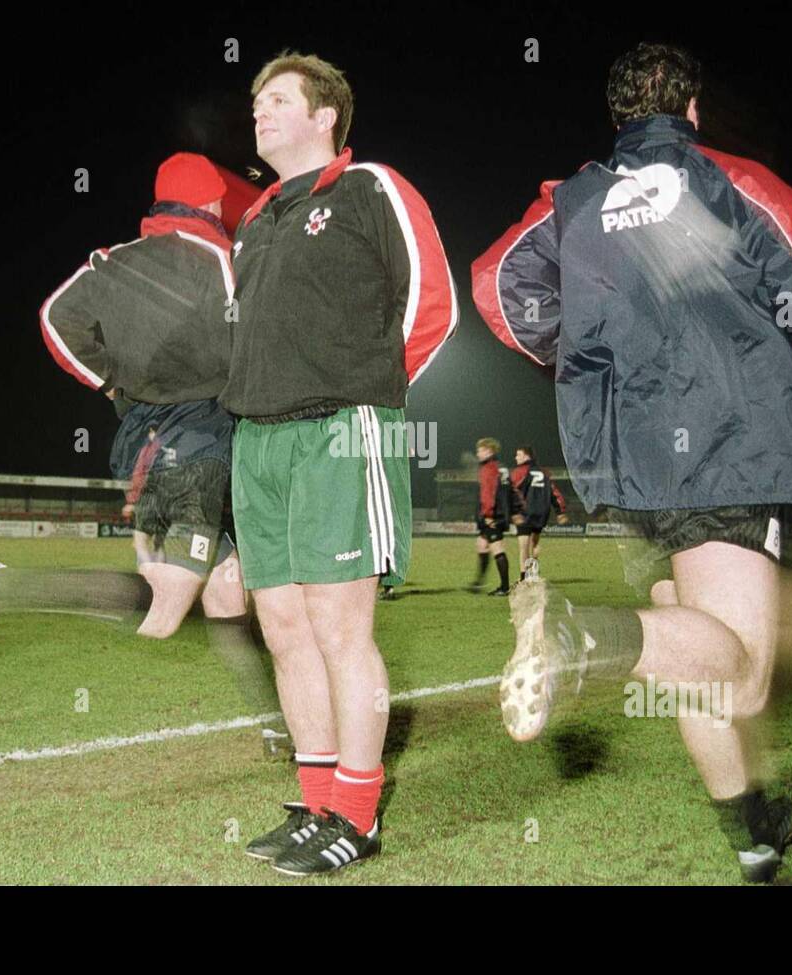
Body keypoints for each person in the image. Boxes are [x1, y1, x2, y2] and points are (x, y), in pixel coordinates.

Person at [471, 42, 792, 881]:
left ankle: (755, 833)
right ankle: (581, 641)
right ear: (691, 109)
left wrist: (578, 340)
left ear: (617, 118)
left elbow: (497, 286)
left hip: (628, 457)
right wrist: (748, 317)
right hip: (729, 438)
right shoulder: (729, 178)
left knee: (696, 667)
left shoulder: (570, 200)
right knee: (745, 677)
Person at [0, 154, 289, 757]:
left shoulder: (113, 262)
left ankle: (279, 726)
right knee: (165, 610)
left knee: (227, 587)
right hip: (200, 443)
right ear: (206, 205)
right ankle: (4, 585)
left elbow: (53, 318)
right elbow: (256, 350)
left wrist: (109, 381)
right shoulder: (225, 264)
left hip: (143, 446)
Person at [221, 51, 457, 875]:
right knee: (284, 632)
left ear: (325, 116)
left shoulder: (369, 189)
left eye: (277, 99)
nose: (260, 112)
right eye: (256, 103)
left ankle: (355, 816)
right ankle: (314, 802)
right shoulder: (253, 221)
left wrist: (370, 399)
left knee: (339, 629)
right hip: (257, 440)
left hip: (342, 430)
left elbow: (432, 303)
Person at [508, 445, 568, 581]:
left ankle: (524, 577)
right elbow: (554, 492)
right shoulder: (544, 472)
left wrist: (510, 510)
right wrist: (560, 511)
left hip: (525, 512)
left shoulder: (520, 471)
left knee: (523, 545)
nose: (516, 457)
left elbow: (511, 490)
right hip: (541, 513)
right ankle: (533, 573)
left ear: (526, 456)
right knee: (534, 543)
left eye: (518, 454)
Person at [468, 438, 514, 596]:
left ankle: (504, 587)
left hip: (493, 515)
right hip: (500, 513)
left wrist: (488, 515)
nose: (477, 453)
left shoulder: (489, 468)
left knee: (497, 548)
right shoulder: (502, 468)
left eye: (480, 450)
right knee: (481, 545)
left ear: (489, 451)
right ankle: (479, 582)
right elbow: (509, 491)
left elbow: (488, 494)